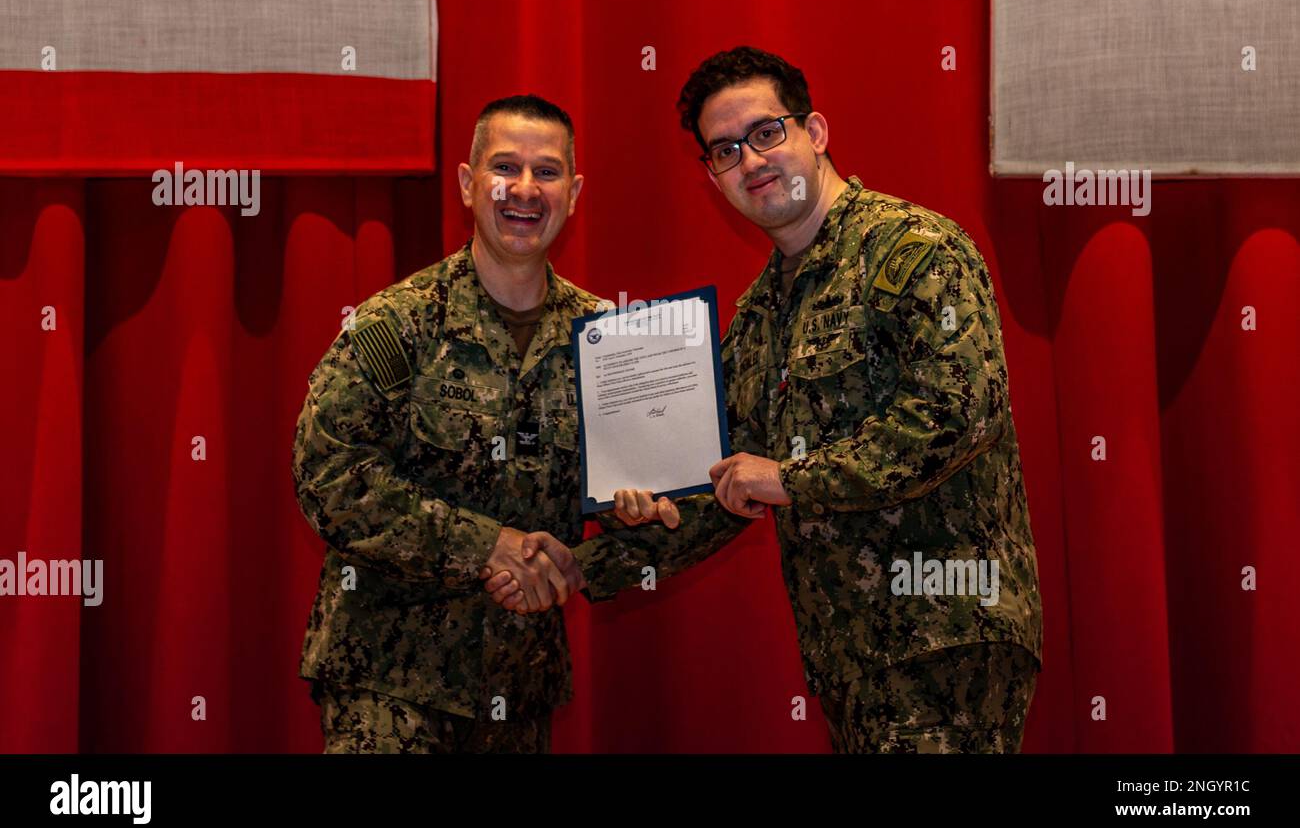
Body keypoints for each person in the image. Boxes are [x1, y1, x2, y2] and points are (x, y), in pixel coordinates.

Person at [488, 47, 1044, 753]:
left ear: (815, 132)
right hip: (850, 660)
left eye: (765, 133)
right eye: (724, 150)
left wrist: (788, 476)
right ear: (713, 178)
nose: (750, 161)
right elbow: (720, 482)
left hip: (949, 635)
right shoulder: (760, 318)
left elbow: (957, 412)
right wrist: (579, 563)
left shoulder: (916, 248)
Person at [294, 94, 608, 753]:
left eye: (547, 172)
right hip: (388, 683)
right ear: (468, 184)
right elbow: (331, 478)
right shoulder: (395, 325)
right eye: (505, 167)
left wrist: (605, 545)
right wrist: (485, 543)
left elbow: (651, 495)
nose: (525, 188)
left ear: (573, 193)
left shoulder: (606, 340)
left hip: (519, 688)